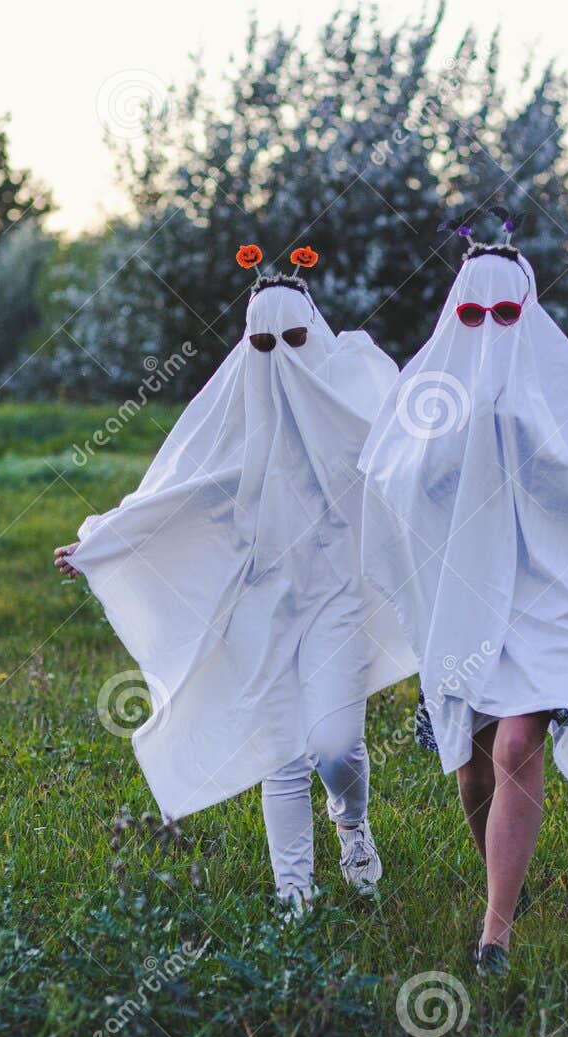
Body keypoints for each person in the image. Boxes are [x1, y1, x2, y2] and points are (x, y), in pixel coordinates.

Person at [55, 245, 416, 910]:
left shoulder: (360, 412)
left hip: (337, 597)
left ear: (318, 334)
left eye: (296, 339)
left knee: (335, 746)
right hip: (260, 601)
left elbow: (410, 466)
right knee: (280, 751)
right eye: (263, 341)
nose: (279, 356)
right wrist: (102, 543)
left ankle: (352, 820)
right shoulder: (237, 425)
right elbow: (181, 491)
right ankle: (294, 896)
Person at [358, 217, 568, 972]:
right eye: (474, 315)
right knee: (473, 768)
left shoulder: (555, 384)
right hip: (464, 605)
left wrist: (522, 425)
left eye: (506, 316)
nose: (490, 329)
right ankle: (503, 877)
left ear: (528, 314)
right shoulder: (429, 392)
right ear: (453, 314)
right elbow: (391, 483)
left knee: (513, 746)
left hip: (545, 597)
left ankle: (494, 932)